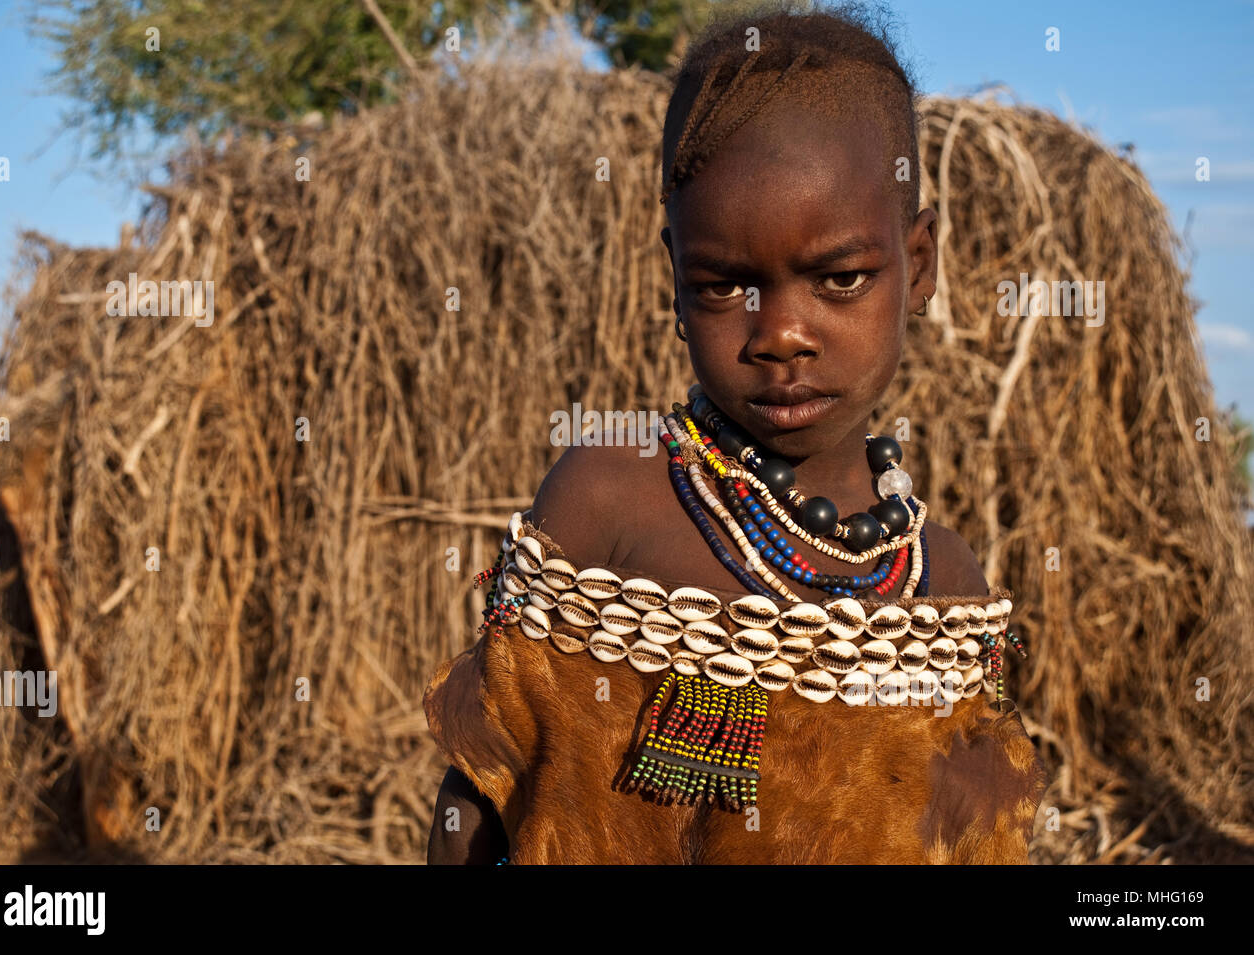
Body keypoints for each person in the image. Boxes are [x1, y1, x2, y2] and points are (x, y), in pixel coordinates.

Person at [425, 0, 1048, 864]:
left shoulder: (944, 587)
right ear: (676, 277)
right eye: (725, 287)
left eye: (839, 278)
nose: (780, 333)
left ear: (921, 264)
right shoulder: (613, 502)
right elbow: (483, 790)